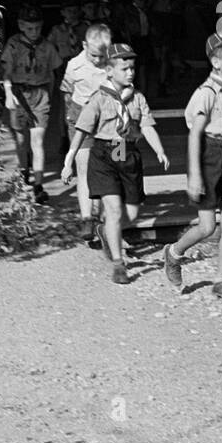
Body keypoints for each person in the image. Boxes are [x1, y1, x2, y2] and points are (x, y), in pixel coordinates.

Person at [62, 43, 168, 285]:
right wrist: (70, 158)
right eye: (124, 69)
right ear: (109, 71)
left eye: (132, 68)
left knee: (130, 212)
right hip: (104, 155)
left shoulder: (137, 97)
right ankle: (119, 264)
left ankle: (106, 230)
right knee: (114, 209)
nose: (130, 73)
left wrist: (159, 150)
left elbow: (147, 126)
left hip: (127, 153)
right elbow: (82, 129)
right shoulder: (99, 98)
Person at [161, 30, 222, 300]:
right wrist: (195, 177)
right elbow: (195, 135)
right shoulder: (206, 93)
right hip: (208, 155)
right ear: (216, 62)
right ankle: (174, 253)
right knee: (207, 227)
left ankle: (220, 279)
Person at [0, 3, 62, 204]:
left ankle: (39, 185)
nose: (34, 33)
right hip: (18, 92)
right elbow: (6, 72)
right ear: (20, 26)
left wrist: (50, 96)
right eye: (29, 28)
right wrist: (8, 93)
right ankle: (23, 171)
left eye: (37, 28)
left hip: (40, 93)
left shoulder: (47, 46)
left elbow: (53, 73)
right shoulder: (14, 45)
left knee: (38, 141)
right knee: (20, 140)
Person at [60, 23, 113, 246]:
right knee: (83, 167)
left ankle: (101, 216)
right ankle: (86, 218)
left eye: (102, 56)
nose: (98, 60)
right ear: (84, 45)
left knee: (103, 167)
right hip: (80, 114)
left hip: (106, 117)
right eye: (94, 55)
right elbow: (66, 91)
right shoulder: (74, 66)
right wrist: (69, 123)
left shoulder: (113, 64)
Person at [148, 0, 186, 95]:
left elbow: (181, 5)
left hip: (171, 21)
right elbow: (149, 6)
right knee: (158, 56)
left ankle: (162, 84)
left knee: (166, 53)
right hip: (159, 20)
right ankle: (161, 79)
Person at [121, 0, 153, 94]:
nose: (142, 2)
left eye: (144, 0)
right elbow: (127, 28)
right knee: (132, 68)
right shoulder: (130, 12)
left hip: (144, 40)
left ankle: (143, 94)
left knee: (143, 67)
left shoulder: (146, 11)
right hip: (133, 41)